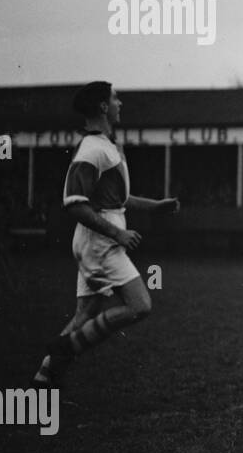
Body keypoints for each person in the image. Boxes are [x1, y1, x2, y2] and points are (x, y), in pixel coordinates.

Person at [33, 81, 180, 387]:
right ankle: (67, 348)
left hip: (94, 242)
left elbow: (118, 198)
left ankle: (44, 375)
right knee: (140, 306)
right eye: (115, 98)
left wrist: (156, 206)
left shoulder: (106, 146)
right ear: (103, 106)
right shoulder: (92, 150)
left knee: (86, 312)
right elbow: (73, 203)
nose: (120, 103)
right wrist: (117, 234)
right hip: (101, 243)